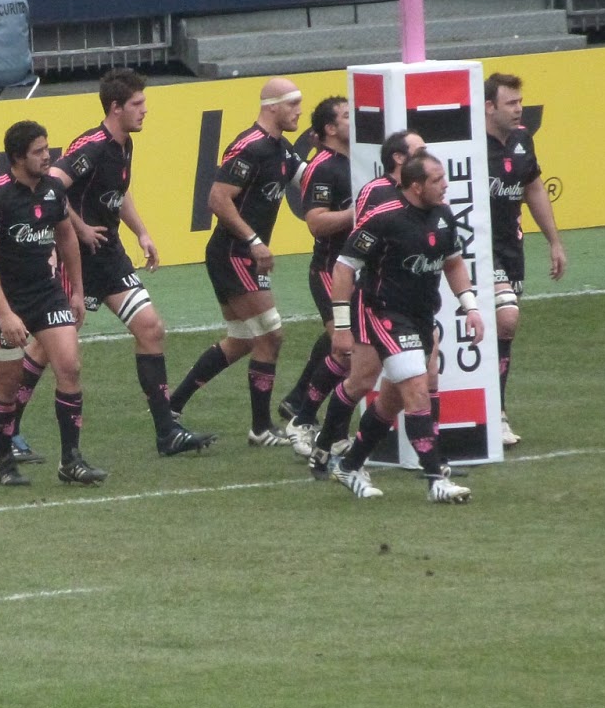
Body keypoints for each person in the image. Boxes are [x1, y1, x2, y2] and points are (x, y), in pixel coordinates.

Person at [16, 70, 215, 458]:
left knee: (151, 328)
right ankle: (8, 431)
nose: (145, 112)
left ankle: (166, 432)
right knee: (47, 347)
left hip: (108, 257)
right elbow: (53, 185)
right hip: (79, 258)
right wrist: (80, 228)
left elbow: (117, 195)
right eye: (137, 105)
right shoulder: (92, 147)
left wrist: (142, 232)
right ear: (116, 108)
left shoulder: (123, 145)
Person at [309, 153, 484, 503]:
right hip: (384, 313)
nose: (445, 184)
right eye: (437, 179)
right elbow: (344, 269)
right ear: (416, 185)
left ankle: (350, 464)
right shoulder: (382, 220)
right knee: (416, 388)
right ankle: (436, 478)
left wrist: (471, 308)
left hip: (421, 318)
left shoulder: (445, 216)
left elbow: (452, 264)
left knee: (389, 402)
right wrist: (343, 327)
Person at [168, 79, 305, 447]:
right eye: (293, 104)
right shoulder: (251, 147)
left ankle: (171, 405)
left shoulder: (281, 149)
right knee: (270, 335)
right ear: (271, 106)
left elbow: (310, 177)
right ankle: (260, 428)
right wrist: (254, 240)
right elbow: (217, 198)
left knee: (243, 340)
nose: (299, 111)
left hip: (239, 254)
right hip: (234, 253)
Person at [0, 120, 106, 487]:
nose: (48, 157)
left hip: (47, 293)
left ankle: (71, 461)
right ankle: (4, 461)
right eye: (39, 151)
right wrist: (6, 313)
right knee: (8, 384)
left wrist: (76, 291)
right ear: (17, 157)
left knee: (70, 366)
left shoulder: (52, 190)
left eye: (48, 149)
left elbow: (66, 239)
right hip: (5, 300)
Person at [284, 127, 426, 446]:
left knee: (373, 369)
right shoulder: (376, 193)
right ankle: (309, 421)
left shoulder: (419, 196)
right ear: (399, 158)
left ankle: (319, 426)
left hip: (399, 297)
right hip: (355, 282)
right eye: (420, 153)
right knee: (351, 361)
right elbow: (343, 252)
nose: (428, 160)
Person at [484, 72, 567, 447]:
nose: (519, 110)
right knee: (506, 320)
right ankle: (494, 412)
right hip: (476, 251)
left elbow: (532, 187)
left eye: (520, 102)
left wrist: (554, 241)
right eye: (510, 103)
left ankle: (490, 407)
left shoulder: (521, 140)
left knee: (500, 333)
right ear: (489, 107)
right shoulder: (467, 144)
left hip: (510, 249)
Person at [277, 97, 352, 447]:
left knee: (347, 345)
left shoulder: (363, 157)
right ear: (330, 129)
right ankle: (304, 420)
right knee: (345, 345)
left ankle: (302, 405)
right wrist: (361, 213)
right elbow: (316, 223)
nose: (356, 119)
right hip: (330, 269)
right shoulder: (323, 167)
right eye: (347, 115)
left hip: (359, 269)